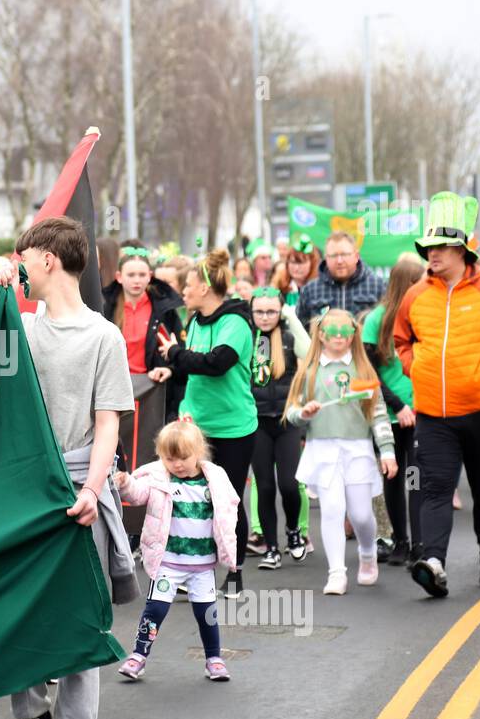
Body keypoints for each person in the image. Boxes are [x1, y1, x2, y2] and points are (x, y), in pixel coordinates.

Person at [0, 215, 137, 719]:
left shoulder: (103, 337)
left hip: (79, 485)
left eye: (23, 257)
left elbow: (108, 425)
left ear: (48, 260)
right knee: (18, 614)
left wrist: (93, 490)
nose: (20, 266)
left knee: (80, 622)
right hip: (23, 489)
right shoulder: (19, 329)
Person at [393, 192, 480, 598]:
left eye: (438, 247)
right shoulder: (417, 294)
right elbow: (401, 340)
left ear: (460, 250)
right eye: (427, 248)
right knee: (435, 487)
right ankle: (435, 562)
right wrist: (413, 367)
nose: (430, 254)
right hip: (434, 414)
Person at [156, 248, 258, 598]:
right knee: (193, 499)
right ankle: (194, 570)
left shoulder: (237, 322)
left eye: (189, 285)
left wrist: (175, 355)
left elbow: (216, 364)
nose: (183, 292)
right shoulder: (195, 321)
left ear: (205, 288)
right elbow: (192, 374)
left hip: (233, 427)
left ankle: (234, 571)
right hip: (197, 424)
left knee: (227, 499)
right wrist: (184, 405)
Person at [114, 417, 239, 682]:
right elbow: (137, 494)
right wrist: (125, 483)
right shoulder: (159, 479)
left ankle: (214, 658)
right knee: (155, 610)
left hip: (202, 565)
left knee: (207, 614)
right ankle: (138, 655)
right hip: (167, 563)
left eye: (183, 457)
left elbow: (230, 509)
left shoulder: (214, 480)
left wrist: (230, 551)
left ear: (199, 453)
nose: (177, 464)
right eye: (170, 459)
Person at [285, 309, 397, 594]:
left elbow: (379, 414)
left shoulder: (362, 370)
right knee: (332, 510)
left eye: (345, 333)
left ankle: (368, 552)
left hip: (357, 449)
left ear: (353, 335)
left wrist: (386, 451)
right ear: (320, 335)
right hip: (322, 449)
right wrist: (304, 414)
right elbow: (292, 412)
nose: (338, 338)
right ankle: (337, 572)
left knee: (360, 514)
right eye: (332, 332)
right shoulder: (309, 372)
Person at [362, 252, 425, 569]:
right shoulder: (376, 320)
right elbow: (369, 373)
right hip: (389, 414)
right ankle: (400, 540)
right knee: (393, 476)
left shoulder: (425, 315)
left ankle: (420, 544)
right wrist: (398, 405)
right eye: (422, 281)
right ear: (409, 284)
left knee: (415, 478)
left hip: (422, 412)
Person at [248, 287, 309, 569]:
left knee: (289, 484)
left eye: (271, 311)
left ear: (280, 311)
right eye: (259, 311)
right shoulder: (247, 338)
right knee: (265, 486)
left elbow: (309, 353)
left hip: (286, 420)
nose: (264, 317)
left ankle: (294, 531)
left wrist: (290, 316)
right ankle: (271, 547)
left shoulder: (288, 336)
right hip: (256, 421)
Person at [101, 242, 182, 414]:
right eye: (131, 274)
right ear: (119, 276)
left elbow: (181, 353)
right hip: (113, 392)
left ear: (150, 276)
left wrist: (169, 369)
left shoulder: (165, 311)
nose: (137, 280)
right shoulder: (105, 308)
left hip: (152, 392)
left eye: (141, 274)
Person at [296, 231, 386, 324]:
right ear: (326, 258)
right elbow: (300, 330)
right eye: (334, 255)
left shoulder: (378, 287)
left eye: (344, 254)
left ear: (356, 256)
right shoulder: (310, 290)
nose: (339, 261)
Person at [283, 234, 319, 309]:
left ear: (312, 264)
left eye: (301, 263)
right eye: (293, 262)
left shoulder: (319, 289)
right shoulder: (280, 287)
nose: (296, 268)